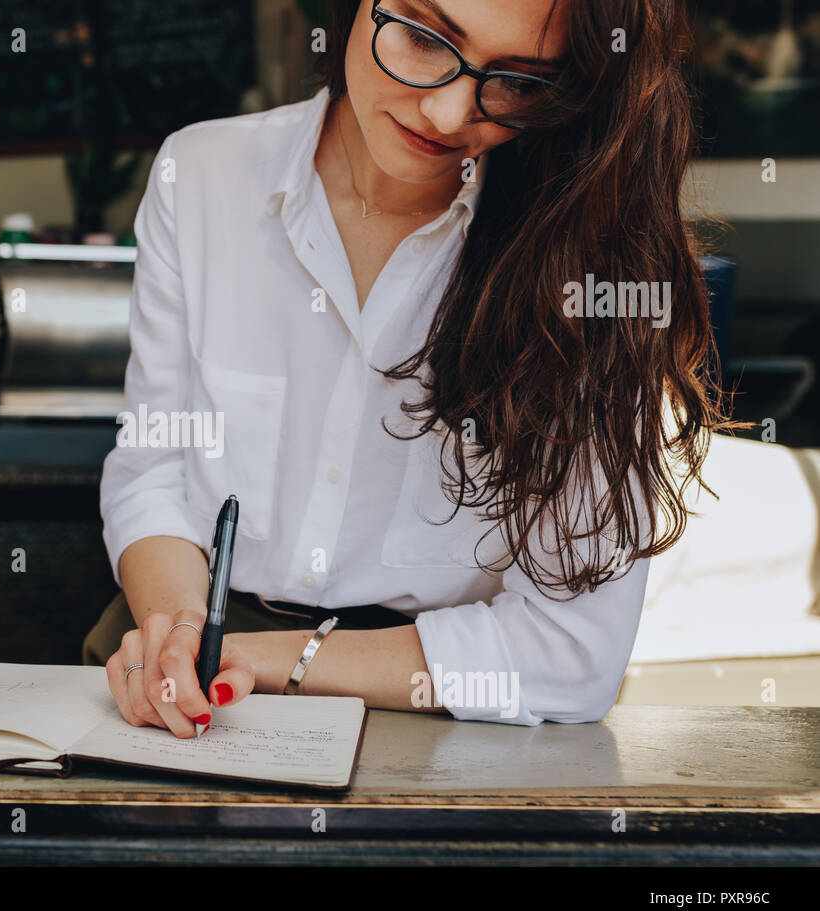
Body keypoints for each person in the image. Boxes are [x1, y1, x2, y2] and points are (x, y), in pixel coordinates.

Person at [83, 0, 741, 736]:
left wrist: (265, 661)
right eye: (426, 38)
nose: (451, 111)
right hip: (170, 659)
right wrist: (178, 641)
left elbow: (571, 655)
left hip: (433, 703)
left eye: (520, 83)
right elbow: (153, 468)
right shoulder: (202, 174)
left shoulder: (588, 256)